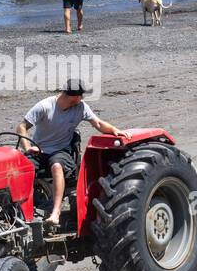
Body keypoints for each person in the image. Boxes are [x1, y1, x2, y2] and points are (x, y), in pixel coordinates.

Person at [16, 78, 128, 227]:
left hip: (61, 151)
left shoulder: (81, 107)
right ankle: (20, 210)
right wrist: (27, 147)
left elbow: (98, 123)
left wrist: (114, 130)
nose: (81, 99)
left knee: (56, 165)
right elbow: (22, 127)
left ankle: (55, 212)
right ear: (70, 95)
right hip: (39, 150)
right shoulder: (44, 106)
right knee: (19, 169)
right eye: (80, 95)